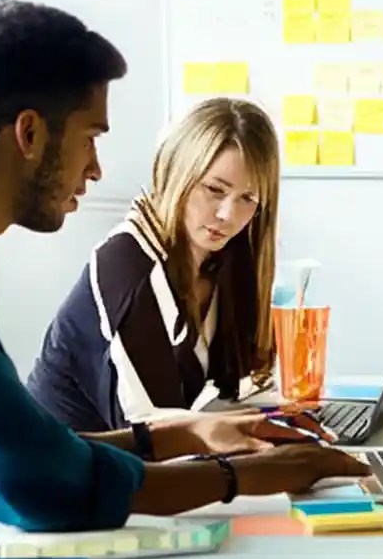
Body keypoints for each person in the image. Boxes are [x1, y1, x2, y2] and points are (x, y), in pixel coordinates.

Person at [0, 0, 368, 559]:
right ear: (29, 133)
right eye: (90, 138)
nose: (97, 170)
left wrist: (188, 435)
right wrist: (244, 476)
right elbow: (33, 477)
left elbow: (31, 443)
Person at [27, 97, 280, 431]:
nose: (228, 215)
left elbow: (243, 391)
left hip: (135, 470)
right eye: (214, 190)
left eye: (248, 199)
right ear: (176, 174)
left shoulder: (227, 260)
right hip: (63, 474)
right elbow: (152, 435)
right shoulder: (126, 265)